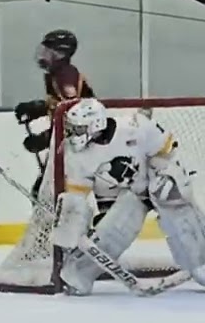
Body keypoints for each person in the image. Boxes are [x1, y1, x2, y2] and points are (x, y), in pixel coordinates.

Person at [53, 98, 205, 294]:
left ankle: (201, 262)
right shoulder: (77, 156)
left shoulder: (135, 126)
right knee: (112, 230)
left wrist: (158, 174)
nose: (73, 134)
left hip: (153, 179)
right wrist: (73, 225)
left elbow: (166, 151)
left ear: (96, 124)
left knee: (170, 194)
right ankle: (77, 275)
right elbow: (77, 195)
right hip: (130, 194)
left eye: (79, 129)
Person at [12, 29, 96, 197]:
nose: (43, 54)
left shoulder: (65, 75)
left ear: (60, 53)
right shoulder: (58, 74)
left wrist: (46, 138)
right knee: (45, 189)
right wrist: (38, 108)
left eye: (48, 50)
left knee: (47, 191)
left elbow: (75, 114)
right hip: (70, 143)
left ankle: (60, 222)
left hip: (78, 146)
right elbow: (59, 105)